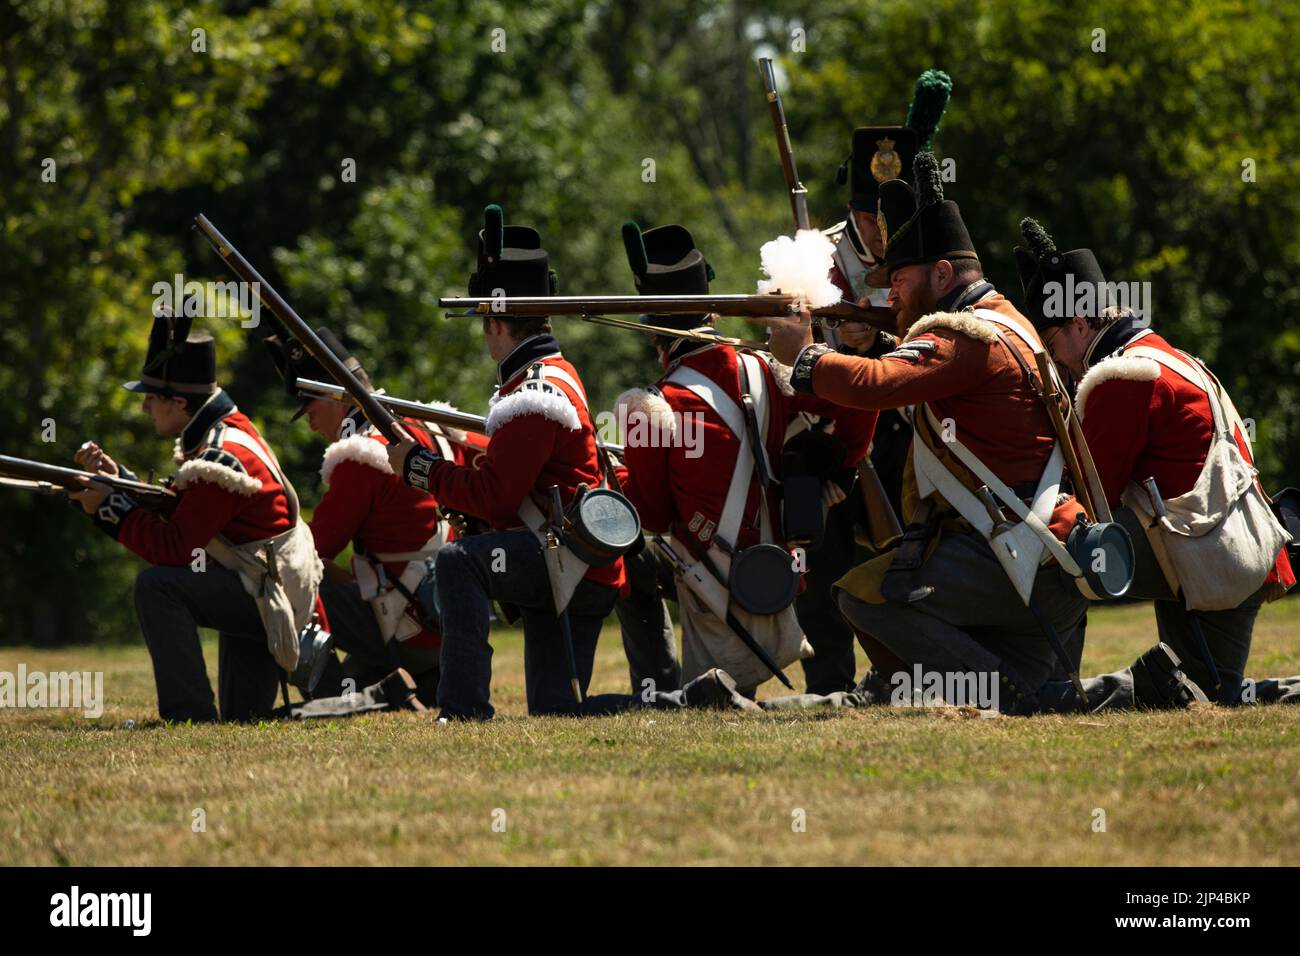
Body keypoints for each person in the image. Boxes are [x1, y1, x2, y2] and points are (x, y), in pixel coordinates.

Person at [763, 152, 1198, 714]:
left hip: (1012, 558)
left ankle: (995, 699)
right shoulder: (1004, 320)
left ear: (941, 274)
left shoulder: (964, 335)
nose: (889, 295)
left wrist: (803, 357)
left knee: (864, 596)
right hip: (1047, 556)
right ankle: (1126, 689)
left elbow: (875, 381)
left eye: (899, 279)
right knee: (1056, 696)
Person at [1015, 218, 1297, 708]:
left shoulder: (1119, 376)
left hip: (1206, 556)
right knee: (1203, 695)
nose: (1056, 361)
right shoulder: (1165, 354)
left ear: (1079, 325)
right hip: (1230, 554)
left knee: (1061, 550)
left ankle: (1049, 690)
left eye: (1054, 344)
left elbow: (1091, 495)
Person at [614, 221, 876, 697]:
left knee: (630, 560)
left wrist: (618, 476)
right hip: (776, 570)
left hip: (712, 582)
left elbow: (651, 515)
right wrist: (839, 469)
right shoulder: (769, 370)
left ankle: (655, 688)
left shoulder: (649, 407)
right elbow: (859, 400)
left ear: (650, 329)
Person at [71, 314, 322, 722]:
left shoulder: (219, 457)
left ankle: (187, 714)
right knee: (245, 718)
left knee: (157, 586)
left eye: (152, 396)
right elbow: (185, 509)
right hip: (262, 583)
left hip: (268, 595)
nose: (144, 406)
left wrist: (110, 510)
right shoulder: (222, 434)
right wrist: (120, 483)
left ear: (179, 402)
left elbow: (175, 549)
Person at [792, 68, 952, 694]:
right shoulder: (817, 257)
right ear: (852, 208)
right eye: (868, 212)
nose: (880, 228)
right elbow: (783, 350)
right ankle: (829, 681)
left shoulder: (931, 257)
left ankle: (908, 673)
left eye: (890, 212)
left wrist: (879, 343)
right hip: (828, 427)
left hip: (909, 430)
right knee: (823, 560)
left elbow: (949, 342)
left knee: (912, 559)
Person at [266, 327, 478, 707]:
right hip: (454, 622)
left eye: (311, 407)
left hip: (410, 630)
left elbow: (311, 553)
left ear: (336, 397)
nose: (311, 423)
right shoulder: (427, 427)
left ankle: (331, 700)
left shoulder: (359, 457)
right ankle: (382, 686)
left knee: (287, 582)